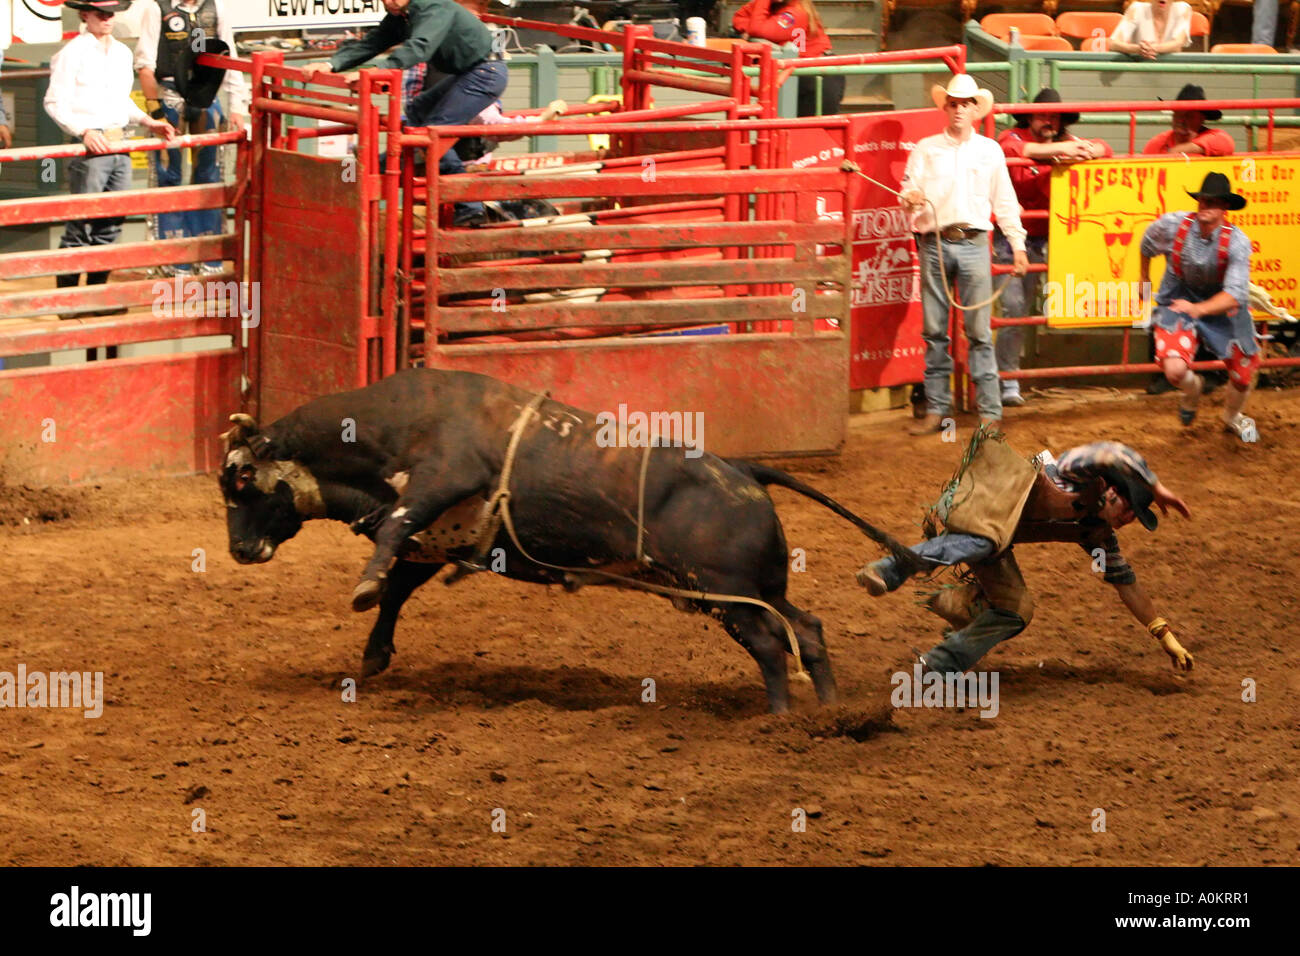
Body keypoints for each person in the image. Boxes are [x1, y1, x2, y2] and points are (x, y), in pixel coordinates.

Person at [856, 434, 1194, 676]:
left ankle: (940, 662)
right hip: (978, 502)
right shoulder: (1074, 473)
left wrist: (1166, 637)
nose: (1129, 519)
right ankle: (889, 569)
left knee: (1016, 610)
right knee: (986, 541)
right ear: (1112, 490)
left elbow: (1126, 583)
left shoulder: (1098, 533)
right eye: (1131, 509)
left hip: (996, 537)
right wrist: (1155, 485)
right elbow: (1110, 450)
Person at [899, 73, 1028, 435]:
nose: (958, 110)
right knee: (935, 329)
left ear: (975, 109)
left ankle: (989, 410)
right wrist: (910, 199)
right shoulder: (925, 149)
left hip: (972, 243)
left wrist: (1017, 245)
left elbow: (1005, 202)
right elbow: (908, 191)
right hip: (936, 242)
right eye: (953, 103)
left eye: (964, 104)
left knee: (978, 330)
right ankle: (940, 407)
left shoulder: (989, 151)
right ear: (946, 107)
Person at [302, 0, 507, 225]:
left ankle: (469, 205)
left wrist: (379, 69)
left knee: (431, 133)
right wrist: (331, 64)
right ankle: (377, 166)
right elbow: (374, 42)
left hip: (482, 74)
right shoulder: (405, 15)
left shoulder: (433, 8)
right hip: (470, 74)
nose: (387, 1)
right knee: (418, 114)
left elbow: (420, 45)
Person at [44, 0, 176, 312]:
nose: (107, 19)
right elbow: (53, 102)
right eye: (101, 13)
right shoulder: (71, 53)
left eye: (111, 13)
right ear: (84, 15)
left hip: (121, 145)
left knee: (111, 224)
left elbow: (121, 102)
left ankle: (94, 298)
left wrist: (148, 120)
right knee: (81, 224)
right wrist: (84, 131)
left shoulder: (121, 52)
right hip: (92, 148)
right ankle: (69, 302)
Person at [994, 88, 1112, 407]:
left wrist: (1085, 150)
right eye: (1043, 114)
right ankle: (1007, 378)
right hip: (1011, 237)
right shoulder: (1011, 137)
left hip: (1056, 238)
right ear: (1030, 116)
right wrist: (1066, 151)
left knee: (1057, 301)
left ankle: (1010, 377)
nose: (1049, 120)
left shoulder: (1067, 141)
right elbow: (1017, 149)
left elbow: (1105, 148)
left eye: (1054, 116)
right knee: (1014, 308)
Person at [1140, 172, 1260, 441]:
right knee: (1174, 370)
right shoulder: (1172, 225)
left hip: (1221, 303)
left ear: (1224, 207)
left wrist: (1198, 309)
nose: (1206, 206)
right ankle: (1192, 391)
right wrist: (1144, 277)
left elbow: (1233, 295)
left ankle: (1232, 417)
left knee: (1243, 373)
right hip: (1178, 297)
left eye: (1213, 202)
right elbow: (1147, 243)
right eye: (1203, 201)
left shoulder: (1238, 242)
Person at [135, 0, 249, 276]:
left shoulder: (216, 7)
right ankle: (171, 257)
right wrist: (156, 111)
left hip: (206, 97)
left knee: (209, 175)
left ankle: (209, 256)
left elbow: (229, 55)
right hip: (169, 95)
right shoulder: (156, 8)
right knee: (168, 176)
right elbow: (145, 64)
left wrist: (237, 107)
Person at [731, 0, 843, 116]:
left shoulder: (795, 13)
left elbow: (758, 30)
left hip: (818, 77)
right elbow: (739, 18)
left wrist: (752, 29)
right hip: (797, 74)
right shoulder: (773, 4)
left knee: (811, 131)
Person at [1143, 84, 1235, 157]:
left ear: (1201, 119)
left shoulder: (1212, 136)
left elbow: (1226, 142)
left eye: (1189, 116)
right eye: (1178, 114)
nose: (1182, 120)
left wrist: (1179, 150)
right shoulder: (1158, 143)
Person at [1108, 0, 1192, 59]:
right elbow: (1114, 44)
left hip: (1172, 68)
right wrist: (1137, 49)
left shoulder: (1182, 9)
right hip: (1141, 69)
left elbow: (1178, 43)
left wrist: (1152, 49)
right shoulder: (1136, 9)